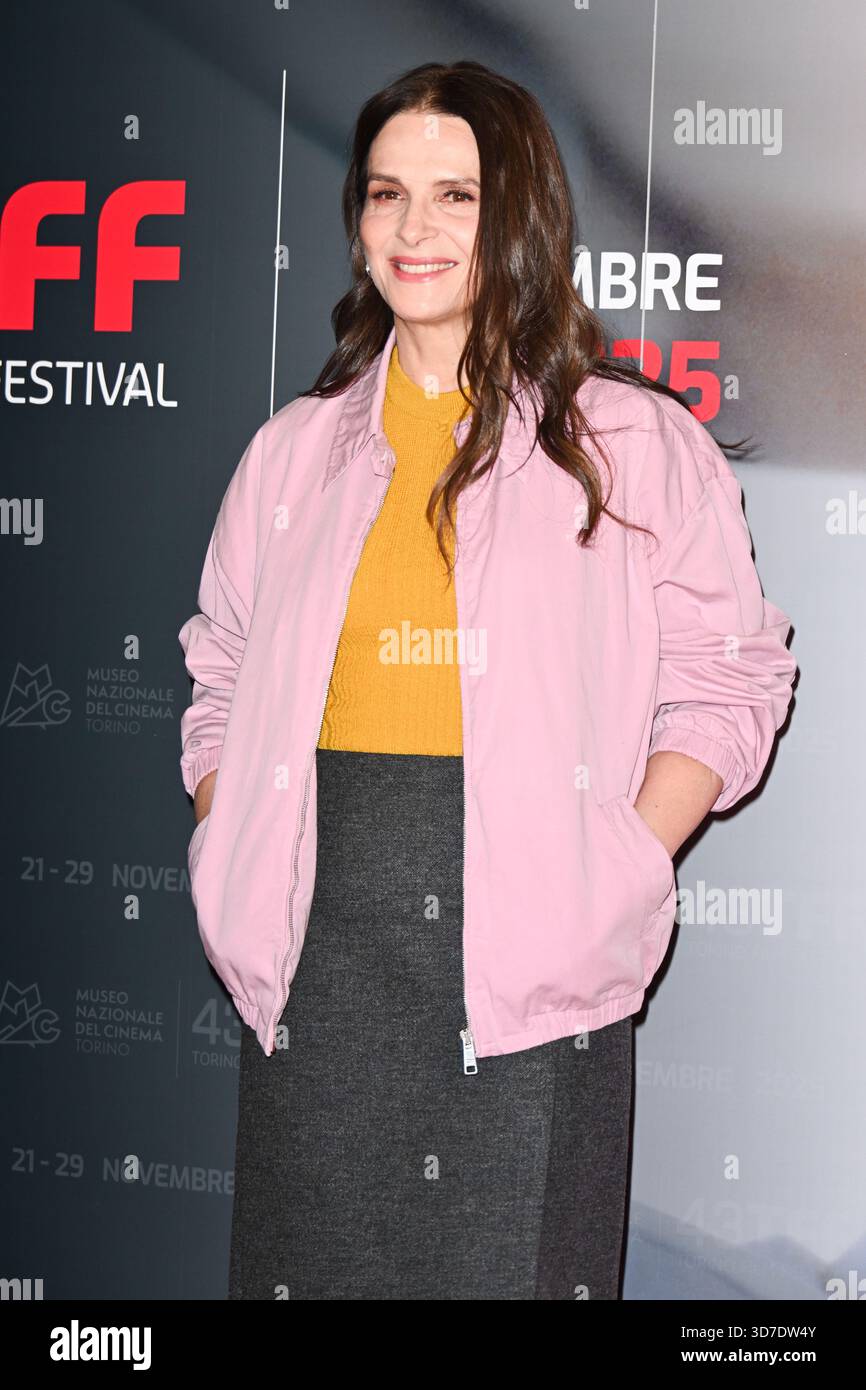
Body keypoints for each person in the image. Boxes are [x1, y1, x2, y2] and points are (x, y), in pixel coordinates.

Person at [178, 61, 797, 1301]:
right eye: (386, 195)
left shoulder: (625, 443)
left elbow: (731, 679)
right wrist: (230, 831)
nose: (413, 230)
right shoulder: (291, 452)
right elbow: (219, 667)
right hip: (321, 943)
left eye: (453, 195)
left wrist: (614, 860)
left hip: (529, 965)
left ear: (514, 214)